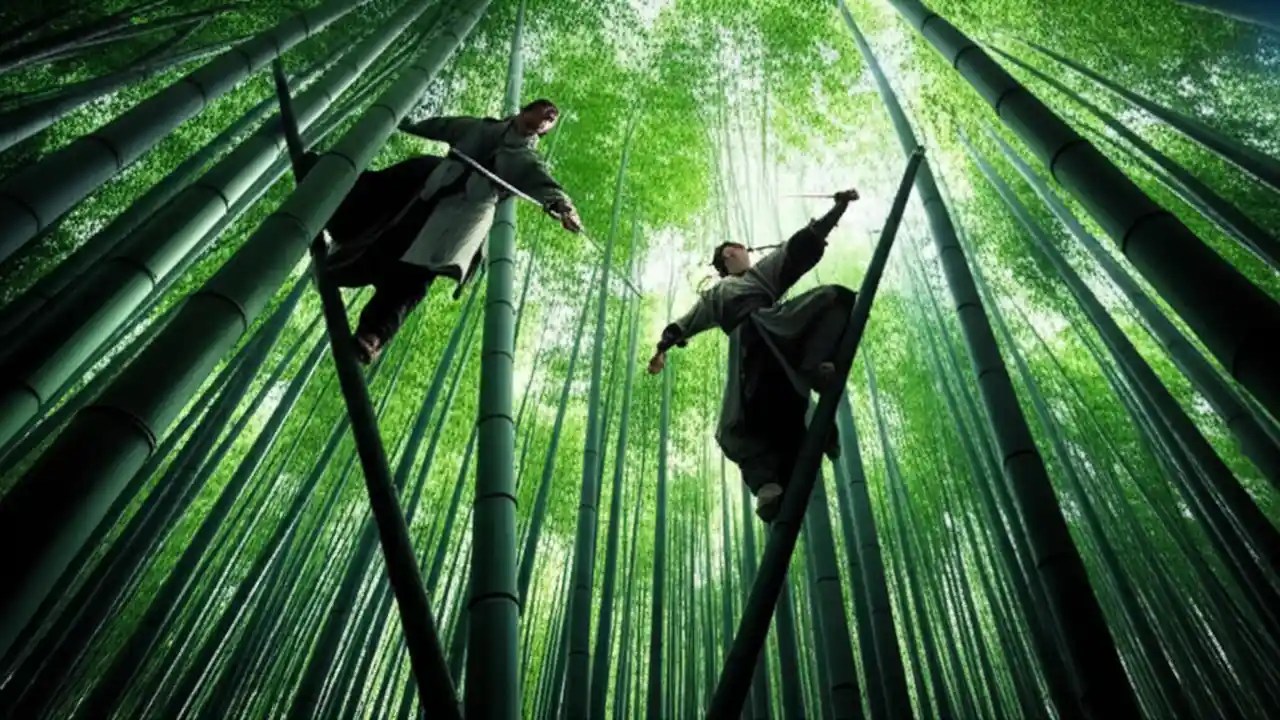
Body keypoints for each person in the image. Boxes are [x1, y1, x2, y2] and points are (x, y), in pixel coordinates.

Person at [647, 189, 860, 521]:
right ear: (730, 254)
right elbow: (683, 324)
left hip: (781, 329)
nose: (745, 252)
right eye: (739, 249)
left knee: (837, 298)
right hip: (750, 347)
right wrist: (663, 346)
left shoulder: (762, 275)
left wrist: (839, 208)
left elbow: (801, 245)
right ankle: (767, 487)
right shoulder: (716, 293)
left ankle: (812, 367)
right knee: (756, 424)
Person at [322, 98, 582, 363]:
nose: (541, 123)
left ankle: (372, 335)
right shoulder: (479, 127)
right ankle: (324, 196)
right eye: (537, 117)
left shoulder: (526, 157)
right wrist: (399, 116)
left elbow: (540, 180)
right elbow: (441, 126)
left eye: (545, 124)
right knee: (384, 222)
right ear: (524, 111)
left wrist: (563, 207)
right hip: (431, 189)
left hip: (463, 217)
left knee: (414, 276)